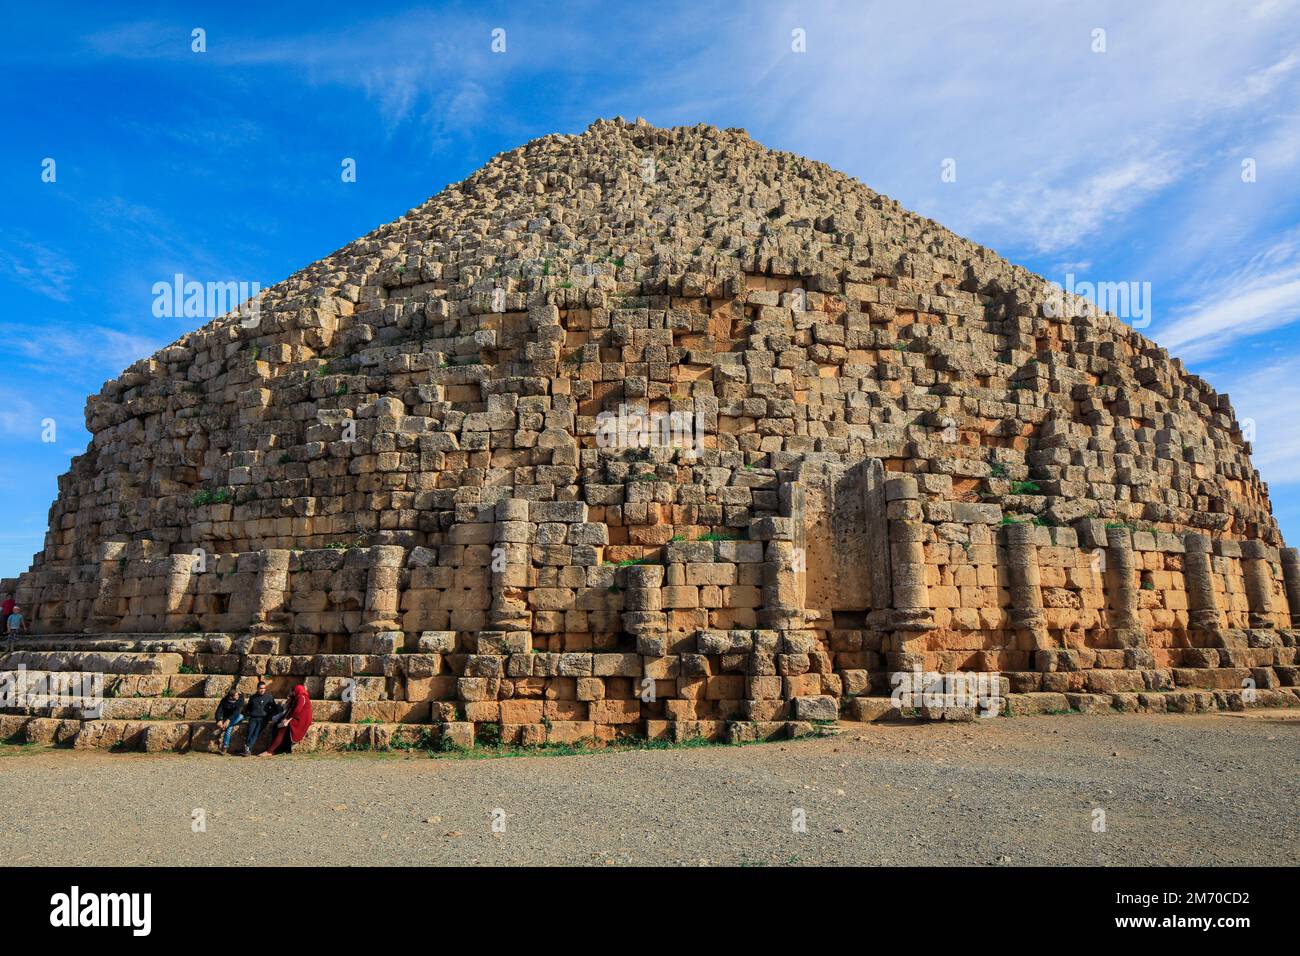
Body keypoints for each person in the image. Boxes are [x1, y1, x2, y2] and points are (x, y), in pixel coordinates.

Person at [262, 683, 312, 756]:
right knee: (276, 726)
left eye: (293, 691)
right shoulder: (297, 697)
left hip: (300, 719)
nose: (292, 693)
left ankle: (270, 751)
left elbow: (296, 711)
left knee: (283, 729)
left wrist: (287, 720)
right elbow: (289, 709)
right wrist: (290, 700)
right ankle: (278, 749)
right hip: (295, 717)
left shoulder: (302, 697)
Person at [240, 679, 277, 756]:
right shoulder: (253, 697)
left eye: (263, 688)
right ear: (257, 688)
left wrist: (270, 716)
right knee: (250, 733)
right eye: (260, 688)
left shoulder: (269, 697)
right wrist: (245, 714)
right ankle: (248, 750)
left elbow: (274, 707)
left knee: (256, 733)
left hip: (263, 719)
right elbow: (248, 707)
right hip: (253, 718)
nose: (262, 690)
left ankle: (247, 747)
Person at [213, 685, 246, 755]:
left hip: (237, 717)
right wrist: (219, 720)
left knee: (240, 716)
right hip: (227, 719)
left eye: (237, 694)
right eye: (236, 695)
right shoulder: (224, 700)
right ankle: (225, 747)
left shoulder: (241, 698)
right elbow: (218, 711)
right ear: (231, 697)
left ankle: (222, 729)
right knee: (229, 729)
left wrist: (228, 720)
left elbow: (237, 711)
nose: (238, 696)